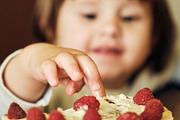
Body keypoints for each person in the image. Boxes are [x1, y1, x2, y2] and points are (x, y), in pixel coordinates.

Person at [0, 0, 179, 119]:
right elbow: (9, 103)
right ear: (49, 26)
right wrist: (31, 60)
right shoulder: (49, 85)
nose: (110, 28)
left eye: (128, 17)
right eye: (90, 15)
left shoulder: (166, 79)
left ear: (154, 34)